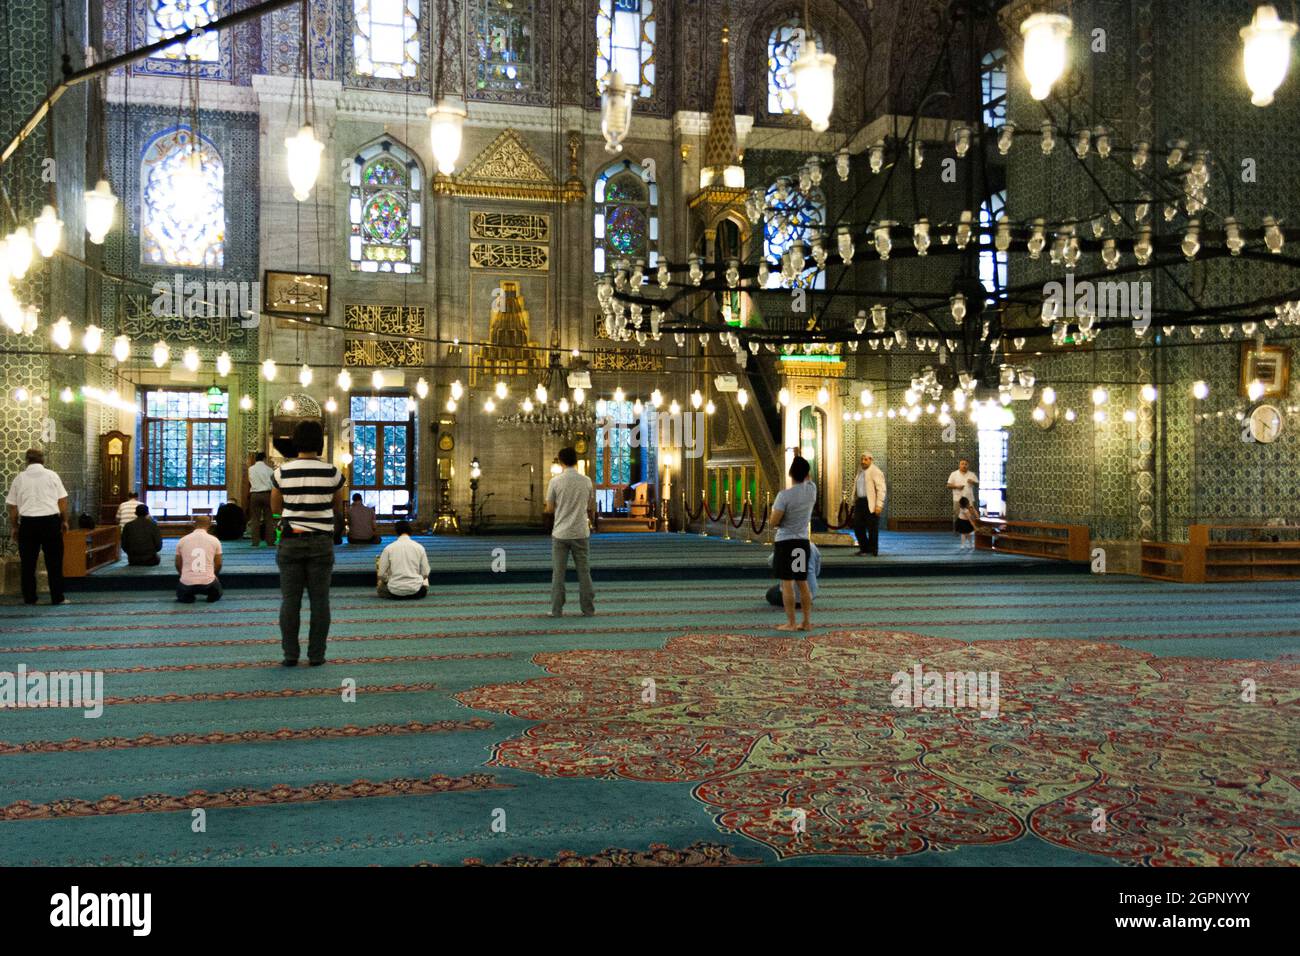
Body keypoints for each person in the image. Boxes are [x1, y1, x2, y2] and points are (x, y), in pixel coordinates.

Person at [272, 419, 346, 666]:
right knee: (320, 602)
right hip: (321, 543)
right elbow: (337, 507)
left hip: (291, 541)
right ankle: (317, 655)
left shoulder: (281, 472)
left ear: (295, 441)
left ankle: (290, 655)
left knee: (290, 601)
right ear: (320, 442)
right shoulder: (333, 472)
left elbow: (275, 506)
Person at [5, 449, 69, 606]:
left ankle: (30, 598)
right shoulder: (52, 476)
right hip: (50, 522)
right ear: (43, 460)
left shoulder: (19, 479)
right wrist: (64, 521)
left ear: (26, 461)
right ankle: (57, 597)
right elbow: (62, 501)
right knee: (54, 561)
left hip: (28, 524)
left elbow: (13, 507)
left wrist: (15, 527)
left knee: (28, 563)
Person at [545, 446, 595, 617]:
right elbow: (589, 506)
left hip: (561, 533)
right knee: (584, 572)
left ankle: (556, 610)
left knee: (558, 573)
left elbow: (550, 509)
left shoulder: (555, 482)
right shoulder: (586, 481)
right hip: (581, 532)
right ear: (575, 460)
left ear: (561, 461)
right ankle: (588, 609)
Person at [770, 455, 817, 632]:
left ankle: (790, 623)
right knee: (802, 582)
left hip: (785, 542)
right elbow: (809, 478)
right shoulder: (812, 491)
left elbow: (774, 521)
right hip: (802, 542)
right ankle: (806, 621)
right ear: (807, 474)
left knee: (787, 583)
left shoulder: (784, 496)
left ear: (790, 474)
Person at [175, 514, 223, 603]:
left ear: (194, 524)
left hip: (186, 583)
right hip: (209, 583)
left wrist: (183, 575)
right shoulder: (215, 540)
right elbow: (219, 563)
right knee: (217, 594)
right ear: (210, 525)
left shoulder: (182, 540)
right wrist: (214, 575)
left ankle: (188, 597)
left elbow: (177, 564)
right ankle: (211, 597)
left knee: (182, 596)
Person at [377, 520, 430, 599]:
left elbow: (381, 574)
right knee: (425, 583)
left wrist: (387, 580)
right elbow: (425, 573)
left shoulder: (388, 548)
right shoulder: (419, 547)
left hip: (394, 591)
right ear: (410, 531)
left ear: (396, 532)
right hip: (415, 590)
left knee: (381, 588)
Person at [852, 453, 887, 556]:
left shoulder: (875, 471)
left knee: (872, 528)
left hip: (871, 503)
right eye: (862, 459)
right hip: (860, 502)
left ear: (871, 460)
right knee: (857, 526)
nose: (863, 461)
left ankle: (873, 549)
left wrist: (879, 505)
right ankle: (864, 548)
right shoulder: (860, 472)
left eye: (866, 459)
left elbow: (881, 489)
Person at [766, 541, 821, 607]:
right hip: (810, 595)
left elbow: (771, 562)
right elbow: (817, 572)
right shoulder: (812, 546)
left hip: (789, 596)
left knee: (770, 593)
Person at [247, 452, 275, 547]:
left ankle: (255, 542)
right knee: (269, 519)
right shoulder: (269, 469)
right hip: (267, 495)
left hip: (255, 495)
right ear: (264, 459)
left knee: (255, 519)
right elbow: (273, 483)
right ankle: (270, 542)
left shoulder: (251, 469)